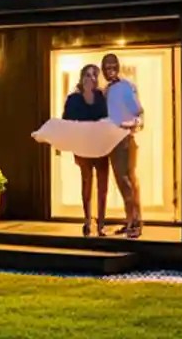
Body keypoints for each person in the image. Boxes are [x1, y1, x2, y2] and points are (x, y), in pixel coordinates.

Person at [61, 64, 110, 237]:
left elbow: (108, 119)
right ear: (82, 78)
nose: (91, 78)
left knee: (103, 184)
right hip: (83, 146)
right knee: (87, 181)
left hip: (101, 146)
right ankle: (87, 220)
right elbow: (66, 120)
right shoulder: (73, 99)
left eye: (95, 75)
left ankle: (101, 223)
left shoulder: (102, 97)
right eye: (88, 75)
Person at [102, 53, 143, 238]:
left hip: (125, 139)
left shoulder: (127, 87)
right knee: (123, 180)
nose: (110, 69)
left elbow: (139, 115)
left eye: (113, 65)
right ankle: (130, 221)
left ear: (118, 67)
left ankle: (135, 222)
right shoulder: (105, 91)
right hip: (113, 140)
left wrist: (126, 125)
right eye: (106, 66)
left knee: (127, 180)